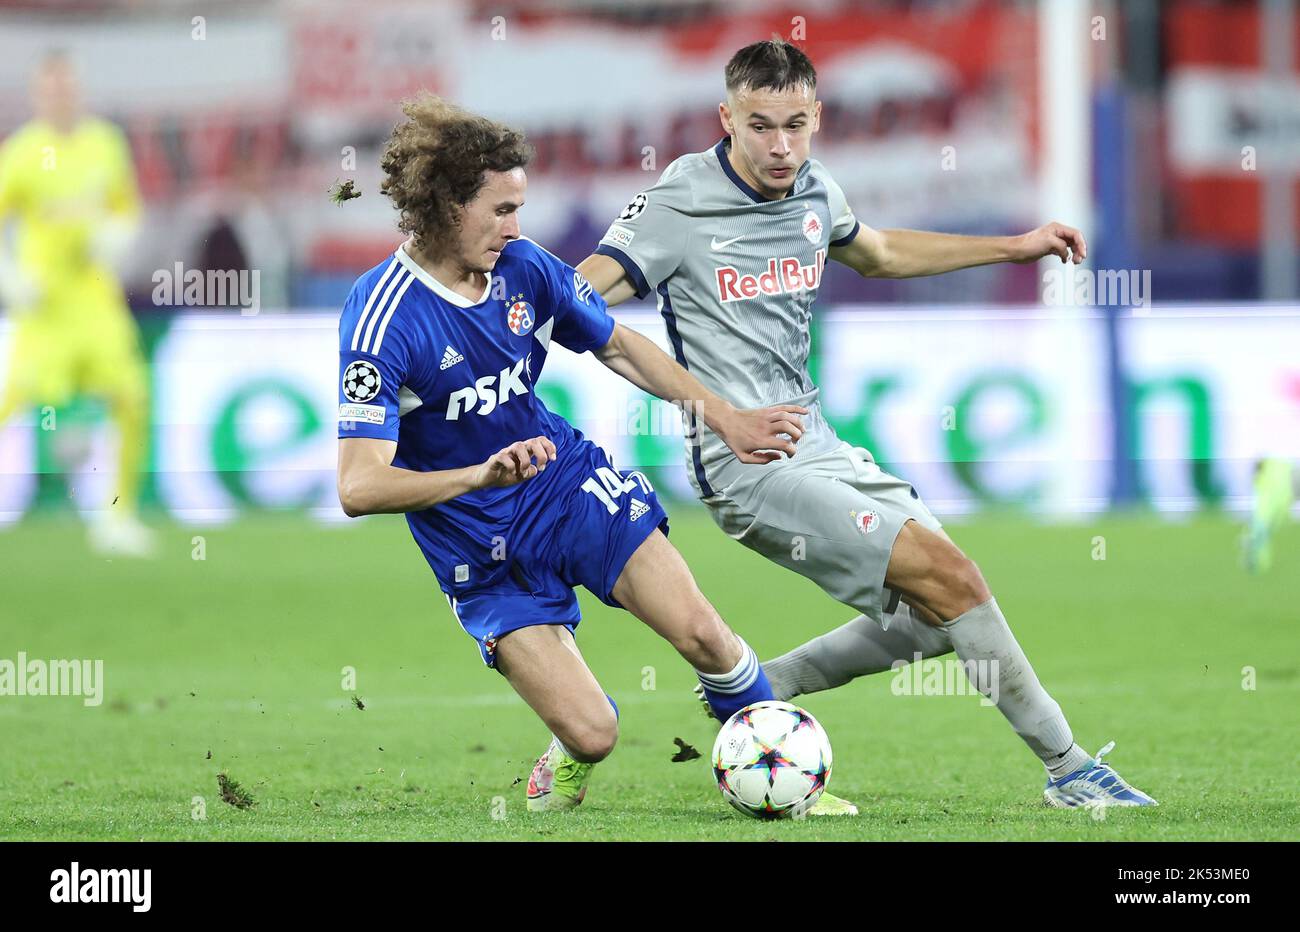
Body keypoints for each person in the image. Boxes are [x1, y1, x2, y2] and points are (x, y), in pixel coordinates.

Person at [577, 39, 1156, 808]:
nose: (781, 146)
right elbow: (577, 305)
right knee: (954, 579)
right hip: (744, 464)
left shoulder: (815, 190)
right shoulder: (680, 202)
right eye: (760, 126)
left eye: (796, 124)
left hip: (815, 442)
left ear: (816, 118)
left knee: (933, 618)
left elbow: (878, 253)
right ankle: (1071, 768)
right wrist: (718, 415)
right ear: (726, 119)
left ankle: (758, 689)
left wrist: (1014, 246)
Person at [336, 94, 855, 814]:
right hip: (474, 542)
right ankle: (571, 752)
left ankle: (791, 790)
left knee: (706, 635)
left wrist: (723, 416)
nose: (516, 227)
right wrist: (476, 475)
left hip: (562, 485)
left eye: (521, 206)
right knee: (595, 732)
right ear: (445, 205)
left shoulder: (524, 268)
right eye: (500, 209)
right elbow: (358, 487)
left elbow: (616, 343)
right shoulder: (383, 317)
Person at [0, 51, 152, 555]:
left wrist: (116, 236)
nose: (61, 96)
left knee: (131, 397)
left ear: (77, 91)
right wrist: (11, 277)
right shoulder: (21, 153)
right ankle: (64, 448)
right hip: (43, 310)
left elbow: (127, 209)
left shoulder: (104, 144)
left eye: (67, 87)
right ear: (38, 95)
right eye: (51, 89)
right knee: (11, 403)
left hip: (96, 302)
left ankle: (116, 517)